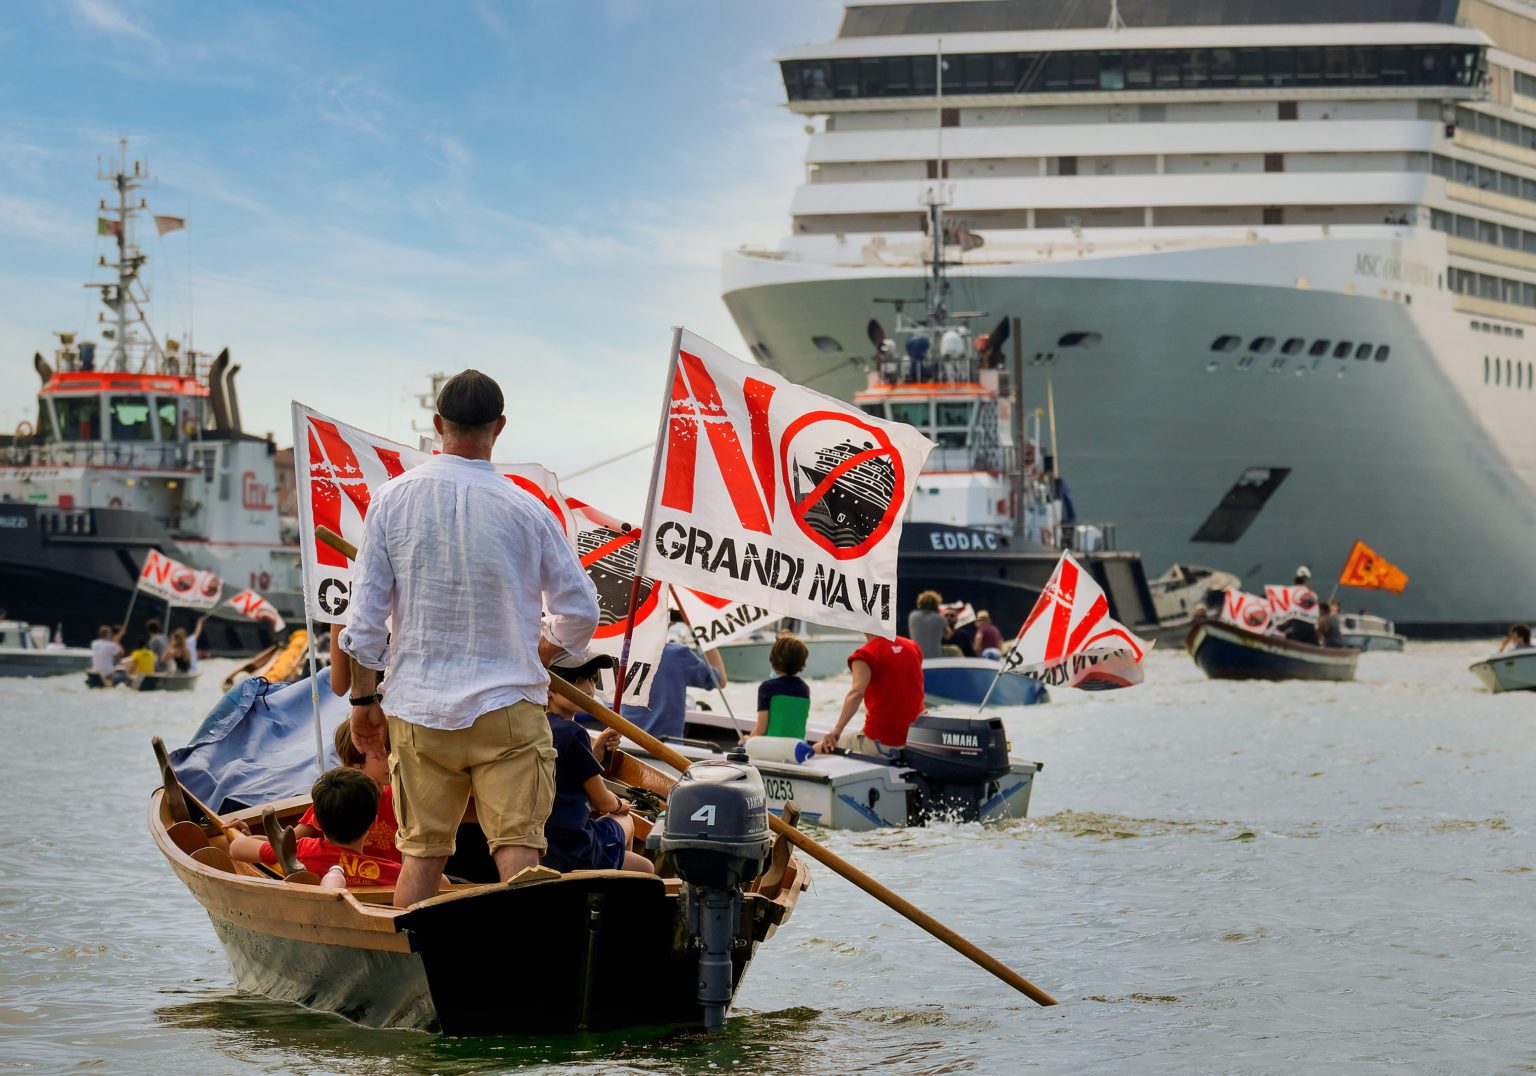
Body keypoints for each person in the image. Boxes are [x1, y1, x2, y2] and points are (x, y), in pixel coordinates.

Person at [341, 369, 600, 908]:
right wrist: (545, 647)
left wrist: (364, 702)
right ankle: (523, 953)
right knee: (519, 851)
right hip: (507, 708)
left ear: (438, 425)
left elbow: (364, 622)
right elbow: (581, 611)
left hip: (418, 711)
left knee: (423, 855)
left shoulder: (390, 500)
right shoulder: (529, 510)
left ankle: (412, 959)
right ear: (499, 428)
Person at [544, 655, 653, 874]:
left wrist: (594, 754)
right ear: (549, 689)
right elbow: (603, 803)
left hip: (545, 844)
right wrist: (621, 804)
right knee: (627, 822)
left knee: (637, 862)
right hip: (573, 849)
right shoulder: (573, 733)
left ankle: (613, 868)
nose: (587, 687)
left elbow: (563, 774)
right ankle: (611, 883)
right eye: (576, 680)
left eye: (592, 679)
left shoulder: (538, 727)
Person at [230, 768, 402, 890]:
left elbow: (236, 847)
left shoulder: (302, 850)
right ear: (373, 824)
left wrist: (252, 838)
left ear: (316, 822)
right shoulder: (395, 872)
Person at [293, 720, 399, 862]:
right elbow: (288, 841)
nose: (394, 759)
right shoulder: (338, 799)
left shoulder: (398, 795)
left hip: (393, 879)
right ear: (355, 759)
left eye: (395, 751)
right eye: (385, 752)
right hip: (345, 879)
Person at [815, 632, 925, 756]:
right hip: (916, 737)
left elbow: (856, 694)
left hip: (882, 741)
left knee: (817, 750)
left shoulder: (864, 654)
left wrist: (837, 730)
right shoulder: (912, 645)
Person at [620, 641, 726, 740]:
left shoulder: (622, 653)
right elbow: (720, 680)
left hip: (625, 743)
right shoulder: (677, 655)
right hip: (666, 750)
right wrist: (703, 637)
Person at [747, 633, 811, 740]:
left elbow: (761, 730)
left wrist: (746, 742)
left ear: (773, 659)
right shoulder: (804, 689)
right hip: (795, 749)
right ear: (801, 664)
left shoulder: (767, 688)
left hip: (773, 749)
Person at [907, 590, 951, 659]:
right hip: (935, 657)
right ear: (937, 605)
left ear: (920, 603)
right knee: (954, 650)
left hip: (916, 655)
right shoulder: (940, 618)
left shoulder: (912, 616)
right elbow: (948, 636)